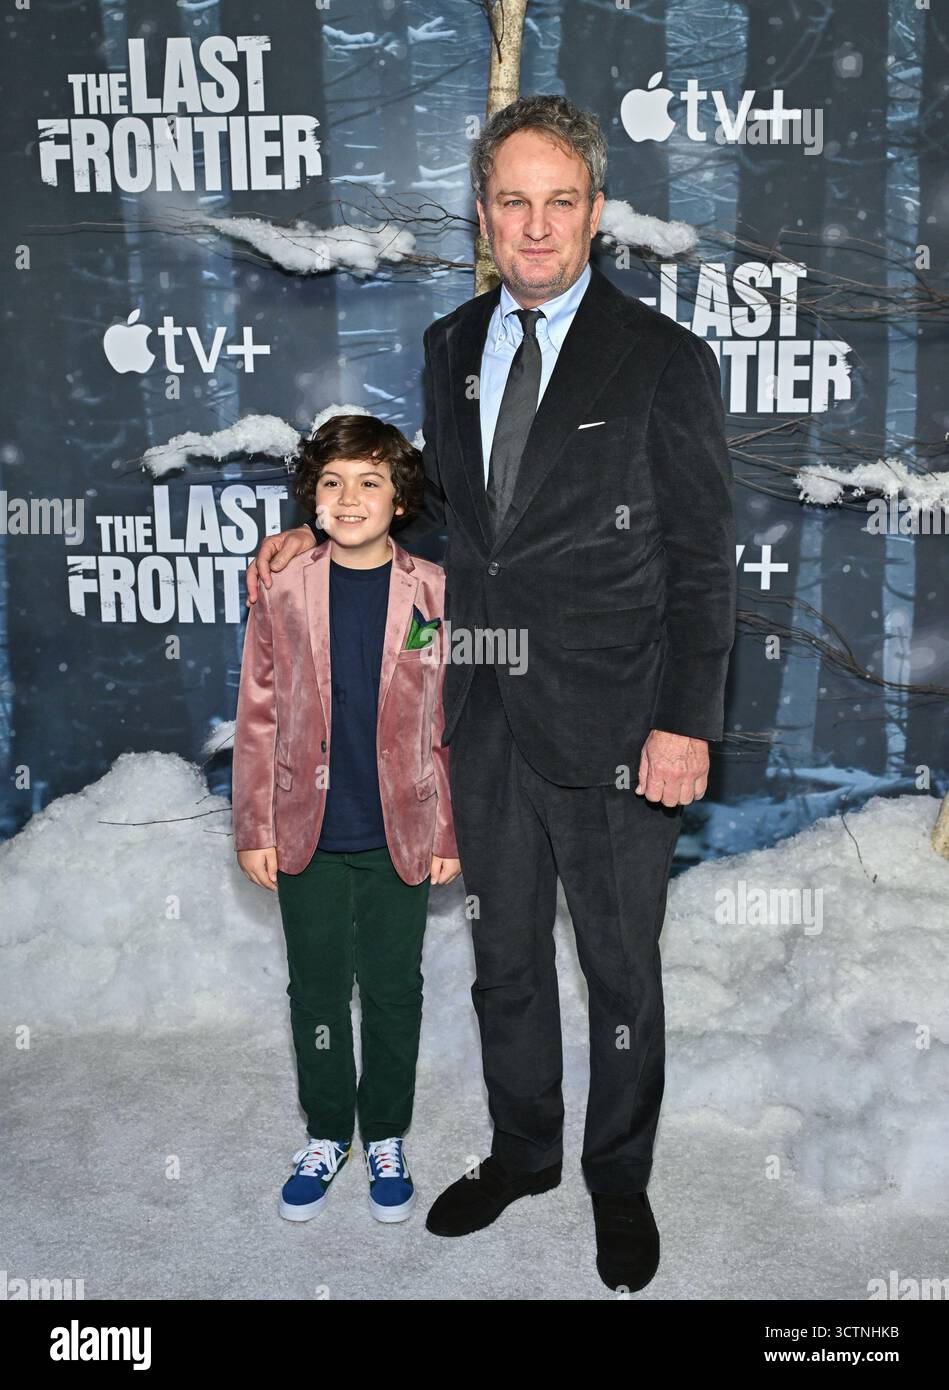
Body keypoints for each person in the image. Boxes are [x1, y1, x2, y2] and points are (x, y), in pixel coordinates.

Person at [244, 94, 736, 1291]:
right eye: (511, 200)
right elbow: (446, 520)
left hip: (620, 719)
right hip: (481, 707)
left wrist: (684, 723)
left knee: (619, 966)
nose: (535, 224)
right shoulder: (451, 344)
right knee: (503, 954)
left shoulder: (664, 359)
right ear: (482, 214)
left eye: (558, 200)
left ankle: (617, 1176)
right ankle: (524, 1151)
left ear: (594, 212)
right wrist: (305, 538)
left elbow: (701, 557)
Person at [232, 412, 461, 1226]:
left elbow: (449, 723)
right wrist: (253, 824)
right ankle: (328, 1131)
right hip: (306, 829)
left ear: (401, 499)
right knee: (318, 990)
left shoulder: (436, 592)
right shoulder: (282, 587)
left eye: (371, 481)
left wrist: (446, 831)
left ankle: (387, 1134)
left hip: (401, 828)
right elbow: (258, 711)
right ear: (311, 501)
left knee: (395, 988)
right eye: (332, 482)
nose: (350, 496)